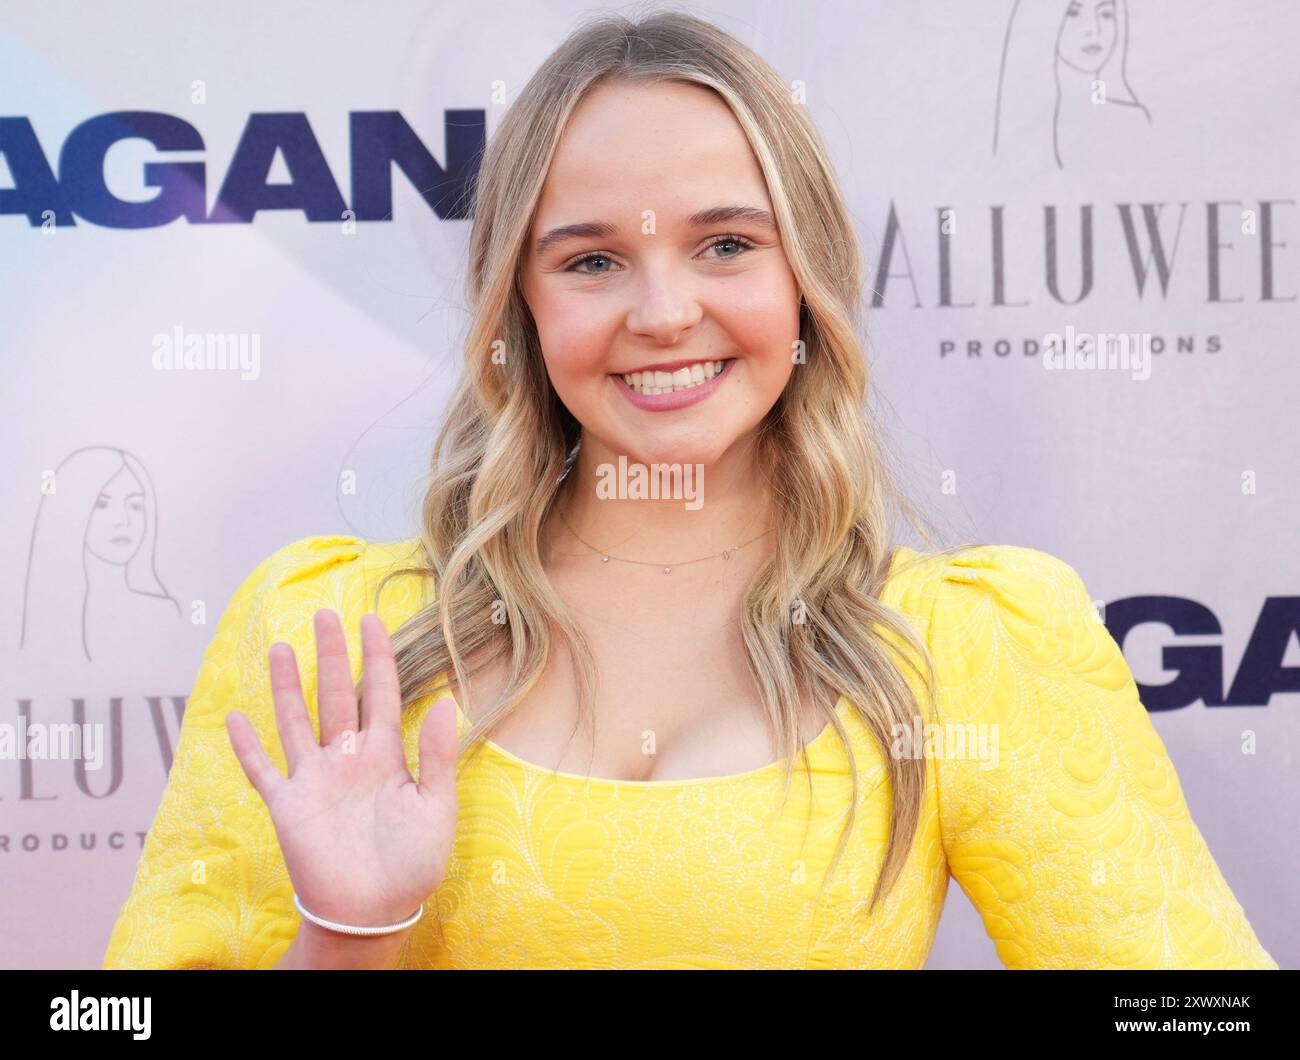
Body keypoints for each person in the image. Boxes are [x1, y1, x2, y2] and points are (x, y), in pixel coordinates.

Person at [102, 11, 1276, 970]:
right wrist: (345, 936)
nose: (663, 312)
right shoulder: (335, 646)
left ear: (807, 275)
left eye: (725, 244)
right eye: (592, 259)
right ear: (519, 306)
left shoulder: (962, 648)